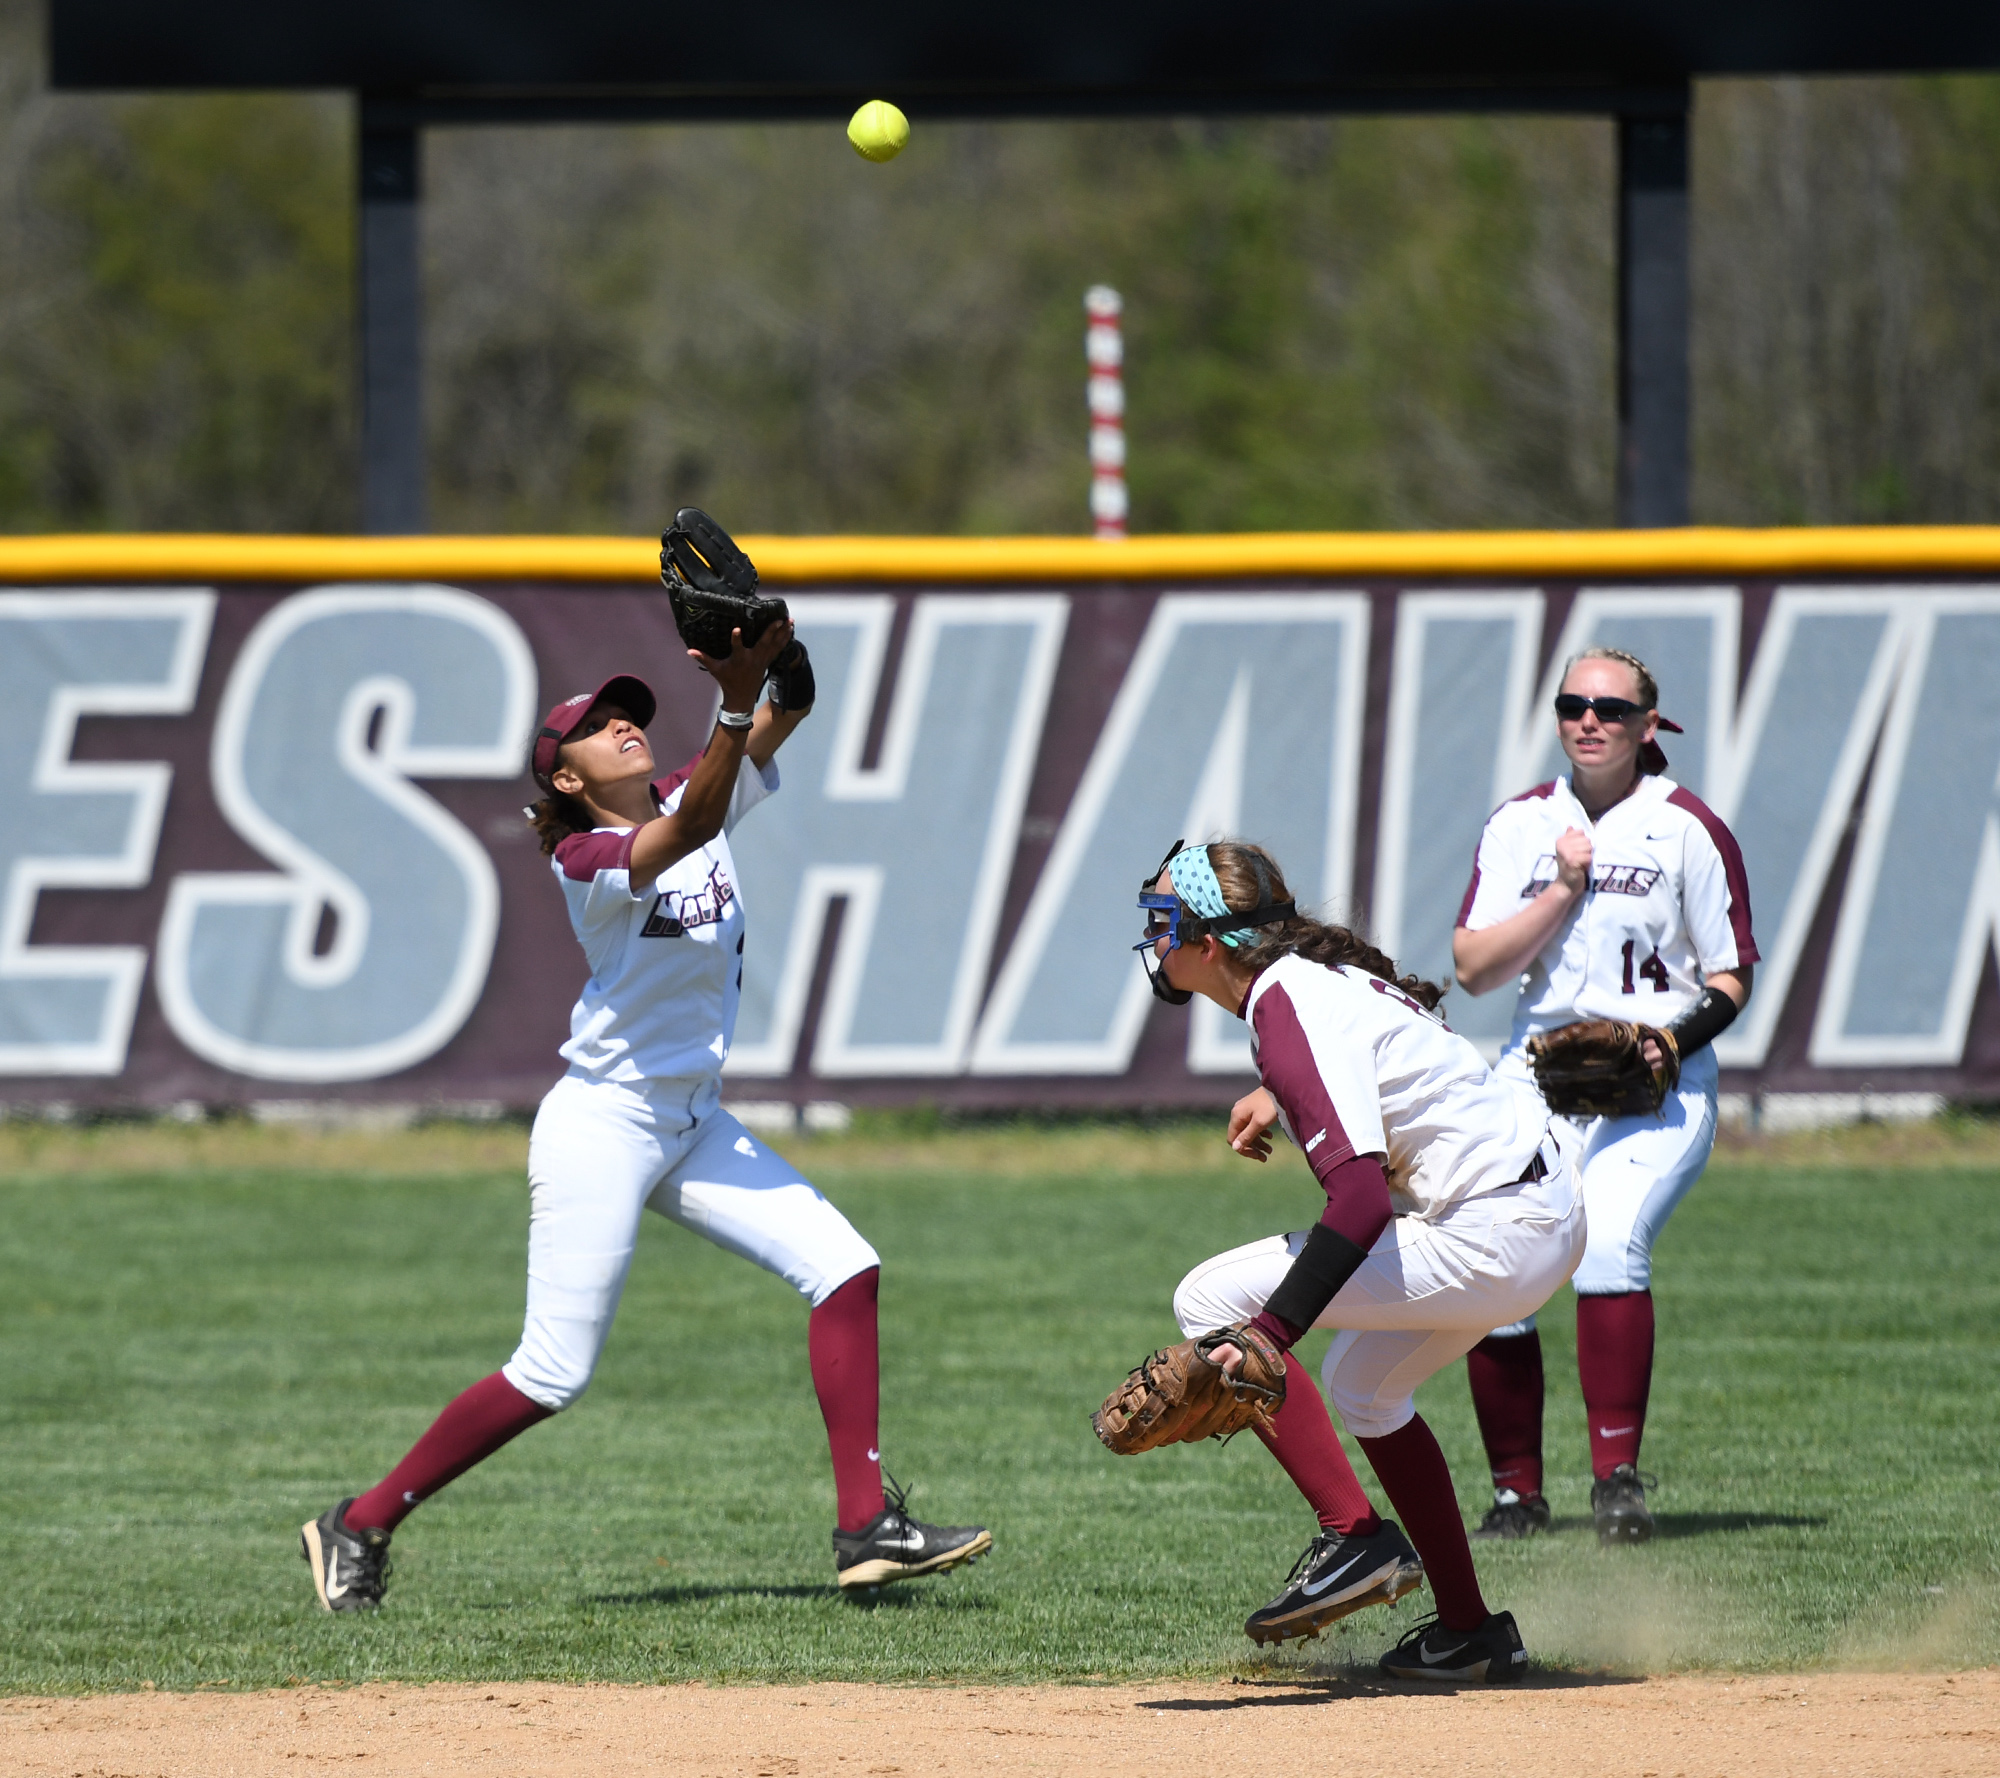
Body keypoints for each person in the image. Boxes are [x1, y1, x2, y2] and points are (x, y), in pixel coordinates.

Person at [300, 617, 990, 1611]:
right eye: (597, 726)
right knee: (552, 1370)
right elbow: (696, 824)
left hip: (693, 1119)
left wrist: (766, 636)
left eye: (630, 714)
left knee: (845, 1266)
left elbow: (790, 703)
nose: (624, 726)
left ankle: (864, 1529)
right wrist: (731, 699)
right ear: (566, 778)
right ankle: (357, 1522)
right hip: (604, 1122)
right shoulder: (584, 853)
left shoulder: (688, 788)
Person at [1137, 838, 1585, 1682]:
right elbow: (1391, 1063)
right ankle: (1469, 1632)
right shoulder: (1306, 980)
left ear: (1209, 941)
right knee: (1364, 1390)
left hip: (1492, 1227)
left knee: (1207, 1301)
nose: (1152, 937)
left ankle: (1354, 1536)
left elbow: (1362, 1204)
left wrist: (1266, 1336)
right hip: (1540, 1211)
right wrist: (1284, 1090)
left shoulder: (1284, 1000)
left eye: (1164, 918)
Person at [1453, 645, 1756, 1545]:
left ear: (1649, 726)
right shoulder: (1521, 825)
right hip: (1536, 1074)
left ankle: (1616, 1480)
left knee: (1608, 1246)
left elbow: (1733, 975)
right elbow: (1473, 969)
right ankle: (1516, 1494)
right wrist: (1561, 887)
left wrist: (1670, 1040)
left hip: (1657, 1082)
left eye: (1613, 710)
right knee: (1497, 1264)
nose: (1591, 721)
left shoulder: (1687, 827)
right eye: (1574, 704)